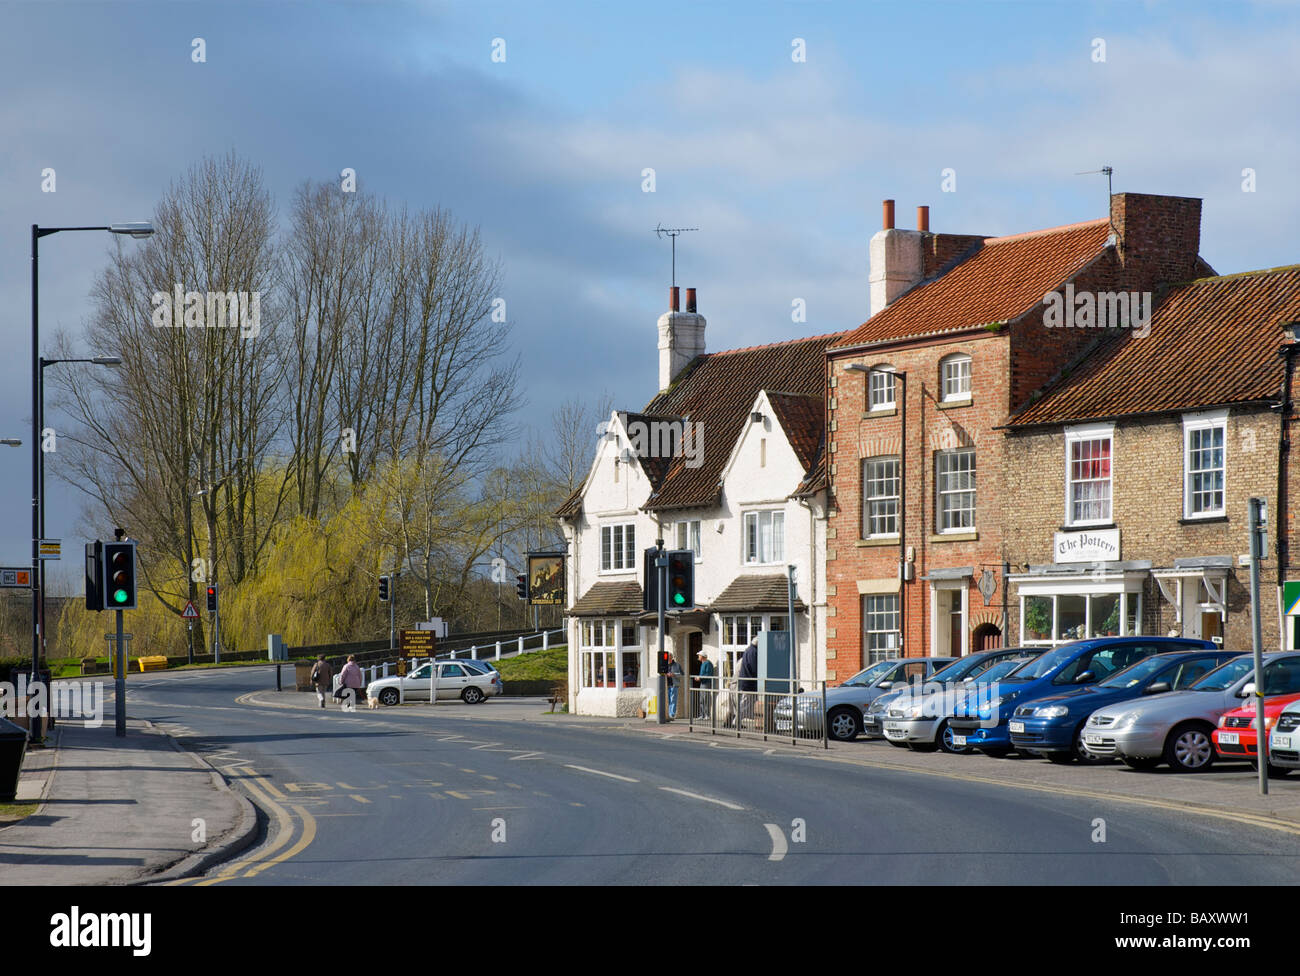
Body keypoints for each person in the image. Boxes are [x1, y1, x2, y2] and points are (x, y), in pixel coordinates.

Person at [737, 640, 758, 725]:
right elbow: (754, 667)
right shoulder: (753, 652)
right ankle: (736, 722)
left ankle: (736, 721)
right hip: (749, 682)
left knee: (746, 703)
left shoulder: (749, 650)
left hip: (746, 682)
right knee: (745, 703)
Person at [695, 649, 715, 720]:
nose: (698, 656)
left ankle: (707, 715)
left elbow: (708, 674)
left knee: (705, 699)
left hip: (706, 683)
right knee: (701, 699)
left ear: (702, 656)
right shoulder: (703, 663)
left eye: (699, 655)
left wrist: (700, 678)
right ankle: (702, 714)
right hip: (703, 683)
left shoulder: (708, 663)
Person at [666, 654, 683, 719]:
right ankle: (668, 714)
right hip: (666, 685)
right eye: (667, 658)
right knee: (668, 700)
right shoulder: (665, 665)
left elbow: (682, 674)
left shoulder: (677, 665)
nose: (668, 659)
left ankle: (672, 715)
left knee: (673, 700)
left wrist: (674, 674)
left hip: (674, 685)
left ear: (672, 657)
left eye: (670, 658)